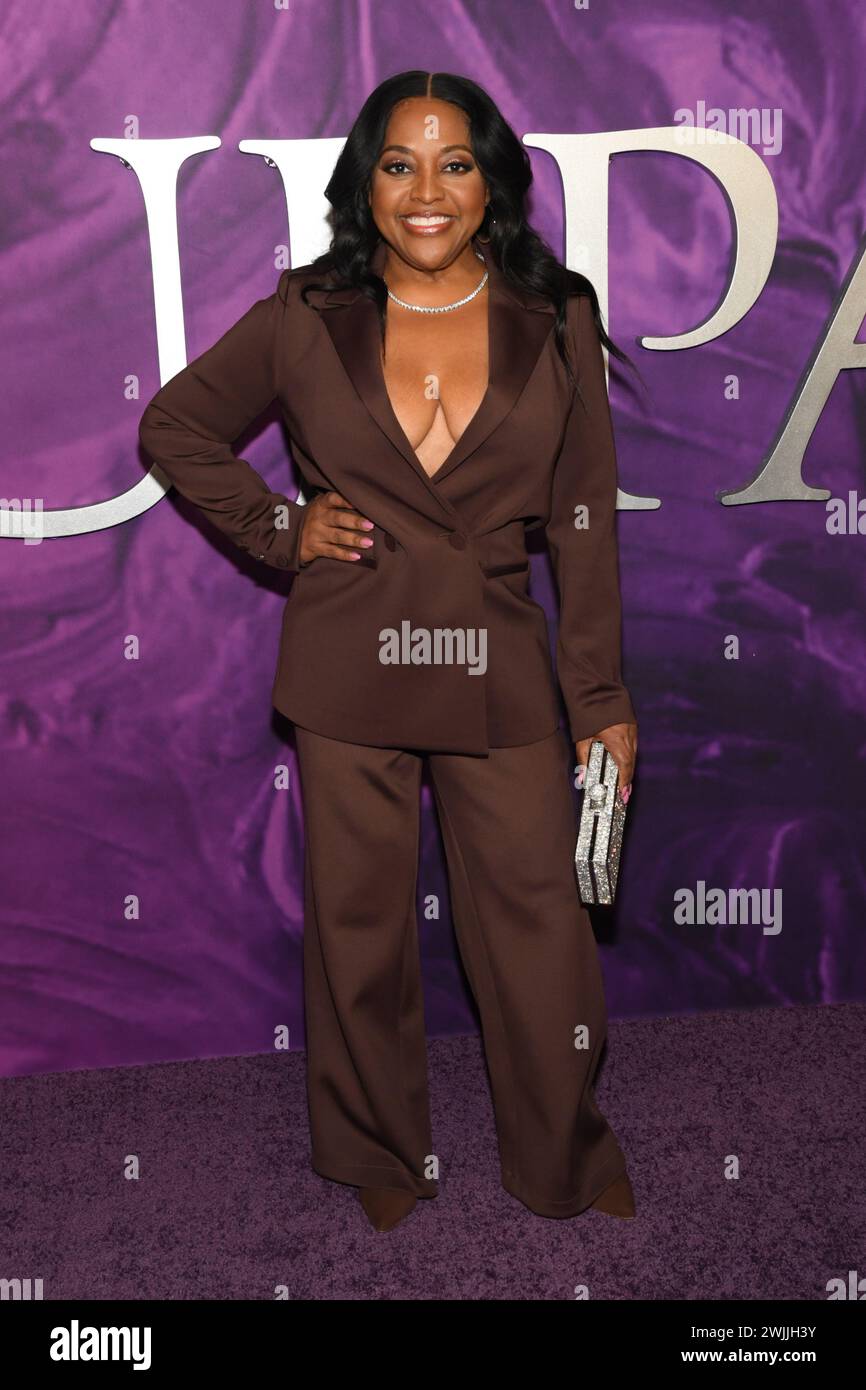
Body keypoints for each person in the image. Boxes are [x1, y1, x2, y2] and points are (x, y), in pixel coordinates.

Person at [138, 70, 639, 1233]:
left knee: (539, 923)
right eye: (399, 164)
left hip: (496, 658)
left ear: (489, 181)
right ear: (364, 183)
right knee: (357, 924)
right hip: (350, 657)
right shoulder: (307, 311)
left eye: (454, 163)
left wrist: (598, 696)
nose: (426, 192)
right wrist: (280, 527)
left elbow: (582, 517)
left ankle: (561, 1150)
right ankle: (375, 1145)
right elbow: (175, 424)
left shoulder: (554, 312)